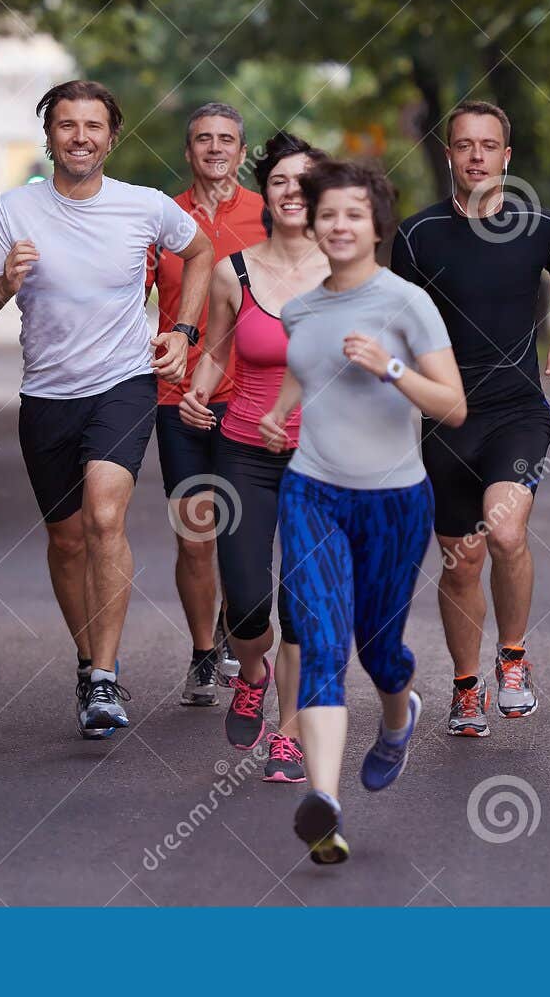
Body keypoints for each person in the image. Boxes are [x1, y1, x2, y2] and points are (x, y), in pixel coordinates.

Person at [0, 79, 213, 738]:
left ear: (111, 135)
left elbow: (202, 251)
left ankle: (104, 677)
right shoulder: (15, 210)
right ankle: (85, 657)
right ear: (49, 137)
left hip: (123, 383)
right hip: (46, 393)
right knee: (66, 539)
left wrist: (183, 331)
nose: (80, 136)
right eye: (67, 125)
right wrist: (5, 283)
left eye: (92, 125)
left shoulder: (145, 206)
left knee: (105, 514)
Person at [260, 159, 466, 864]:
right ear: (312, 224)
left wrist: (393, 369)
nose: (339, 225)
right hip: (311, 491)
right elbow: (304, 363)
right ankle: (325, 803)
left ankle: (398, 713)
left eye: (353, 213)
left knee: (380, 653)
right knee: (320, 644)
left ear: (377, 224)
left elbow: (454, 404)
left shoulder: (405, 304)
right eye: (327, 214)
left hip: (394, 502)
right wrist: (281, 411)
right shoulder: (301, 309)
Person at [390, 100, 550, 737]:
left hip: (517, 412)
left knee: (504, 534)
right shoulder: (418, 237)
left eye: (488, 144)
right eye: (464, 145)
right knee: (462, 561)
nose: (476, 156)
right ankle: (466, 688)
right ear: (448, 155)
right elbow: (396, 320)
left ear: (508, 155)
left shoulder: (540, 225)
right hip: (447, 420)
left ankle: (515, 659)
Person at [180, 132, 330, 782]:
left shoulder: (349, 272)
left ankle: (289, 733)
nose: (292, 192)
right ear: (263, 191)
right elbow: (215, 351)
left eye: (306, 182)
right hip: (244, 450)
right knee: (246, 602)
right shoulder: (231, 270)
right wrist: (196, 390)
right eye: (280, 181)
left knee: (300, 602)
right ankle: (251, 671)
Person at [147, 102, 267, 706]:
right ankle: (202, 651)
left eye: (226, 140)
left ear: (243, 153)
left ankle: (234, 623)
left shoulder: (270, 217)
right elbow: (125, 297)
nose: (214, 148)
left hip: (253, 402)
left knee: (243, 534)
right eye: (202, 139)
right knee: (195, 535)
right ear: (187, 151)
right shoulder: (163, 218)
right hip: (178, 397)